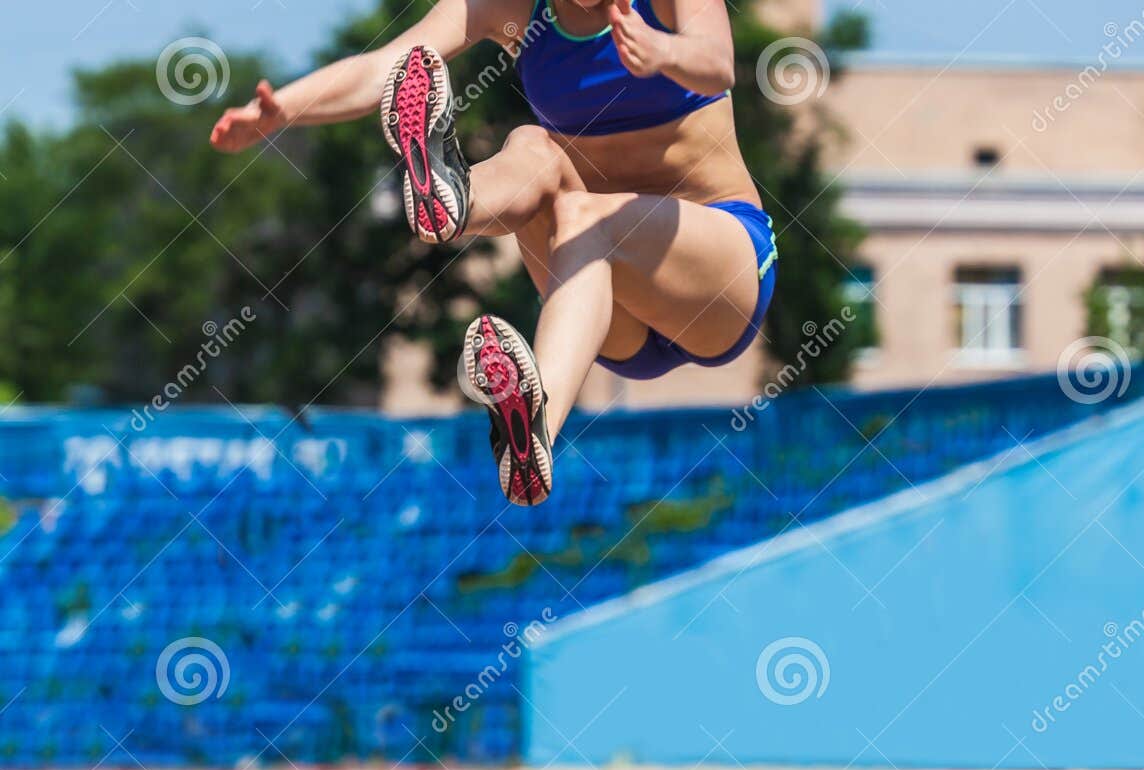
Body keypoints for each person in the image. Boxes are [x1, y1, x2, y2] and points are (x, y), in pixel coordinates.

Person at [211, 0, 776, 506]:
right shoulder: (516, 9)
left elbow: (717, 60)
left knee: (585, 217)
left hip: (720, 276)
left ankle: (543, 427)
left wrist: (664, 50)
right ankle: (453, 198)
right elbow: (389, 65)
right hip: (605, 307)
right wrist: (284, 109)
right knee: (532, 146)